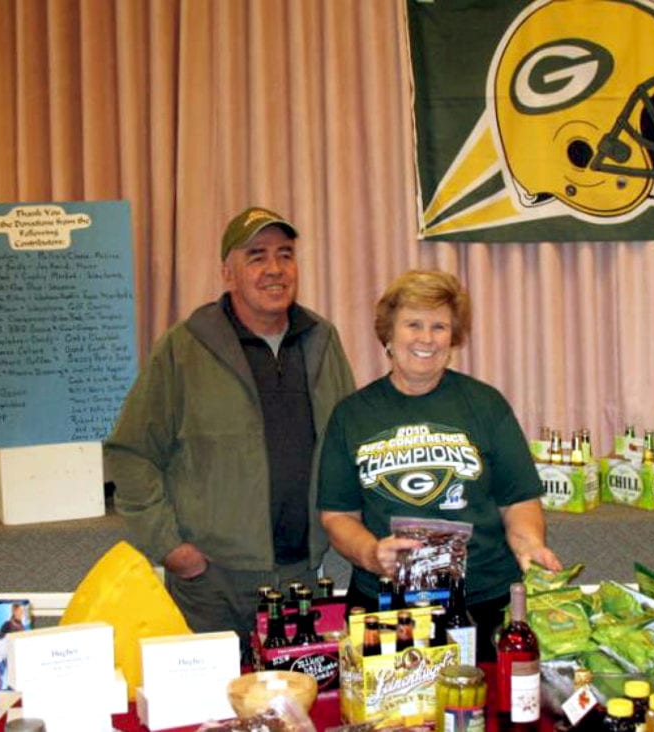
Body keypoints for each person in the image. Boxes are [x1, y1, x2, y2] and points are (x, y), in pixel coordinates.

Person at [106, 206, 355, 653]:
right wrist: (171, 549)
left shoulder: (322, 339)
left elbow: (346, 443)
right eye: (256, 256)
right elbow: (131, 452)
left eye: (285, 254)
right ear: (228, 272)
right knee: (210, 714)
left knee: (294, 708)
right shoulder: (183, 348)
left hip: (300, 575)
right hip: (211, 582)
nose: (275, 269)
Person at [316, 269, 561, 661]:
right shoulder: (352, 415)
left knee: (481, 716)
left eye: (439, 326)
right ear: (389, 335)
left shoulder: (486, 405)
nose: (426, 338)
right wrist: (371, 552)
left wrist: (530, 544)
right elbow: (337, 515)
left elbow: (519, 500)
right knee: (390, 719)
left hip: (483, 600)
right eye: (413, 324)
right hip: (387, 605)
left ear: (453, 337)